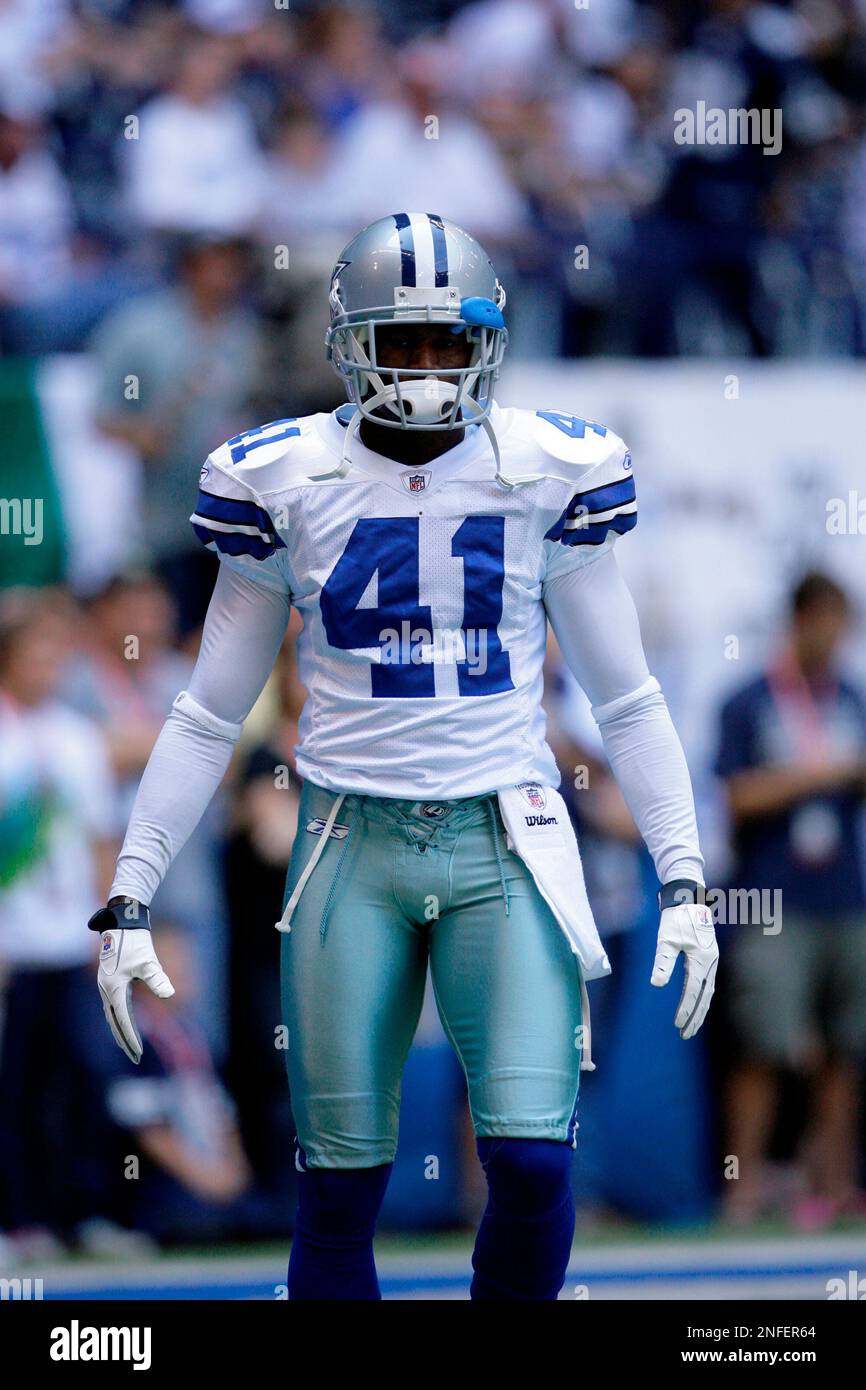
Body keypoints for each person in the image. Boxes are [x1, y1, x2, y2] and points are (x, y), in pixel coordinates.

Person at [88, 213, 717, 1301]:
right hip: (348, 845)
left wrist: (683, 871)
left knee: (527, 1157)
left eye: (446, 342)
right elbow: (203, 713)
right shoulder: (283, 476)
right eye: (401, 341)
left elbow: (626, 695)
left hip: (503, 841)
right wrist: (131, 887)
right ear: (346, 342)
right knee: (339, 1186)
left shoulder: (539, 469)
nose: (425, 369)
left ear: (488, 342)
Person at [715, 571, 866, 1227]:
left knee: (845, 1049)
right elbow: (734, 797)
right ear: (800, 620)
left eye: (845, 623)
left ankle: (834, 1187)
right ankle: (742, 1191)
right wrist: (823, 773)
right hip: (770, 899)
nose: (836, 637)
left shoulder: (853, 699)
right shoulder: (748, 700)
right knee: (762, 1047)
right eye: (826, 621)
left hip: (844, 897)